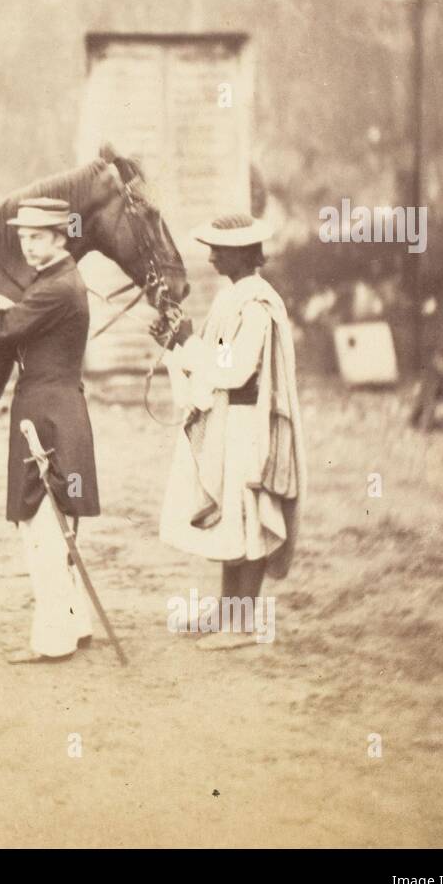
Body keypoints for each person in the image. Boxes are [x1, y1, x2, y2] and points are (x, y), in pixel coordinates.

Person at [150, 212, 305, 651]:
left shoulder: (258, 305)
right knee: (230, 523)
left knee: (249, 518)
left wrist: (189, 341)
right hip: (227, 422)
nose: (211, 255)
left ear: (243, 254)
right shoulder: (231, 298)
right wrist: (177, 343)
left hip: (251, 425)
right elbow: (212, 361)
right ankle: (228, 612)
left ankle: (242, 624)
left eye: (219, 249)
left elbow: (235, 370)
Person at [0, 197, 99, 664]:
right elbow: (32, 320)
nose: (28, 245)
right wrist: (12, 305)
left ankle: (54, 639)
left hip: (46, 410)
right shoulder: (58, 279)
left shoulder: (57, 287)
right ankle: (76, 623)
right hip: (58, 405)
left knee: (42, 528)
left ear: (60, 237)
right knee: (55, 524)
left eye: (37, 237)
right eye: (23, 237)